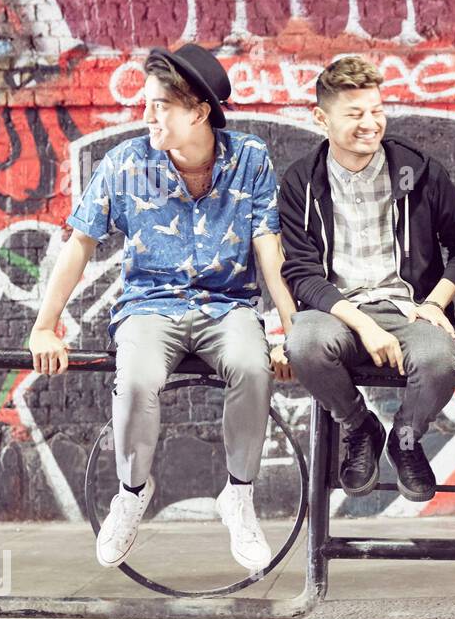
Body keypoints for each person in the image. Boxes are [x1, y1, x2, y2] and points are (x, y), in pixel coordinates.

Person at [29, 43, 296, 573]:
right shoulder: (125, 163)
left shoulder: (250, 158)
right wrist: (44, 325)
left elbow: (269, 246)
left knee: (252, 367)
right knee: (135, 380)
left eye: (161, 105)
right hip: (149, 308)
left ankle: (238, 496)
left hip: (228, 306)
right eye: (146, 102)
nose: (147, 115)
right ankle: (131, 494)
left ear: (198, 111)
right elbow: (80, 244)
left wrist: (290, 329)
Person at [279, 57, 455, 502]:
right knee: (303, 342)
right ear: (322, 118)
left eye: (377, 111)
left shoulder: (418, 171)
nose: (370, 123)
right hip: (338, 312)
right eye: (355, 114)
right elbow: (301, 273)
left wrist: (435, 304)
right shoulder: (302, 181)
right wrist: (364, 324)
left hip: (409, 309)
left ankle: (405, 437)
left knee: (439, 360)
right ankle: (359, 425)